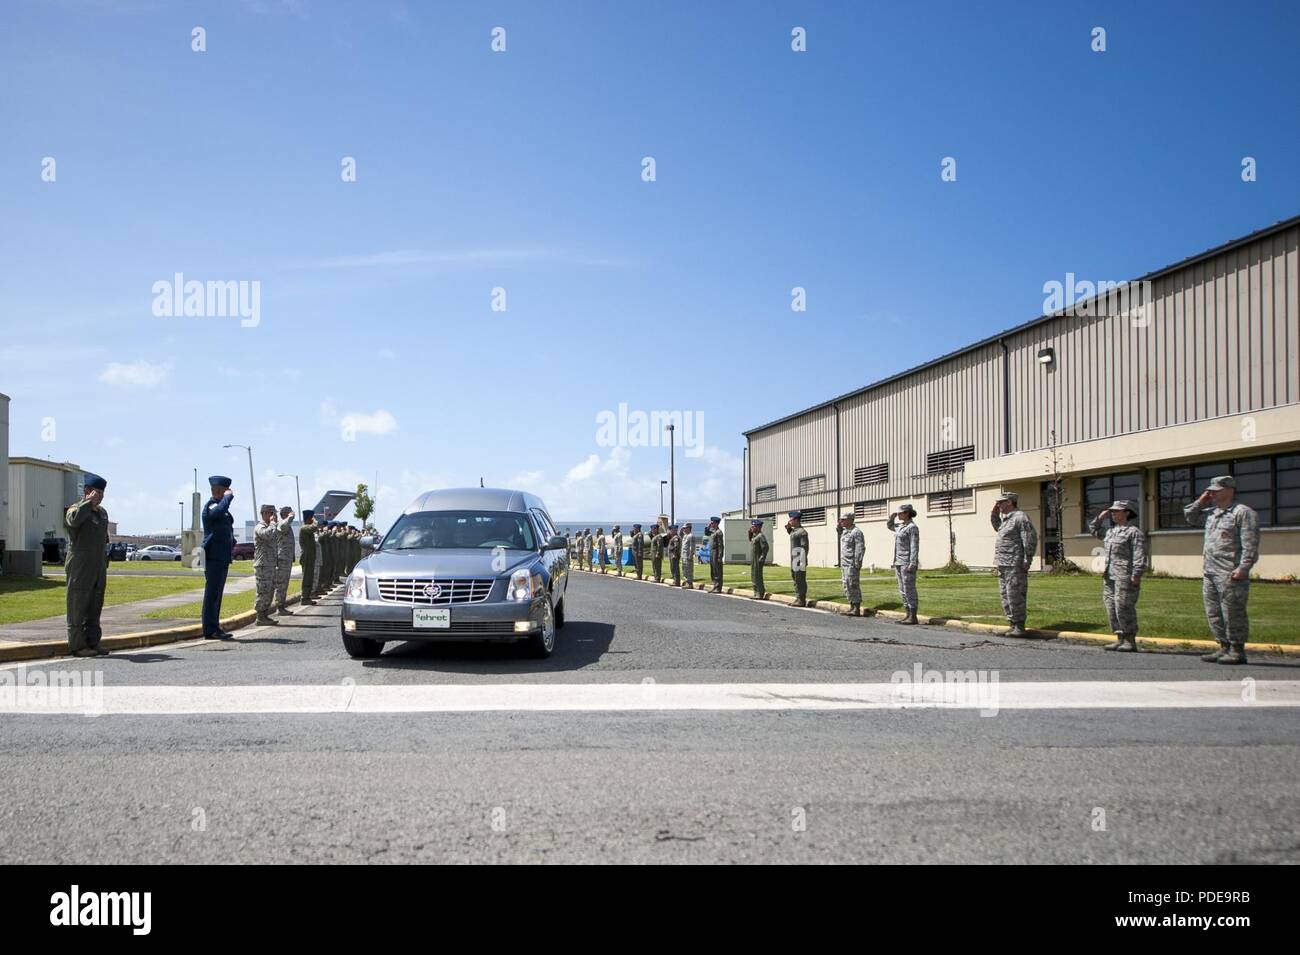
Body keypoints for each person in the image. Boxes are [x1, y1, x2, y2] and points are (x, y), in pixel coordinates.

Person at [1184, 476, 1259, 665]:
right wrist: (1201, 501)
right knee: (1213, 611)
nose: (1212, 493)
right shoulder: (1212, 512)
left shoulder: (1242, 513)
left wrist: (1244, 567)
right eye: (1211, 490)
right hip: (1210, 570)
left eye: (1216, 490)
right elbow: (1189, 517)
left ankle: (1236, 649)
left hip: (1230, 571)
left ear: (1229, 490)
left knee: (1232, 611)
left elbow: (1250, 544)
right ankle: (1223, 646)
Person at [1089, 500, 1146, 652]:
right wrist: (1101, 518)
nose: (1113, 513)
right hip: (1109, 575)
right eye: (1112, 511)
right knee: (1111, 607)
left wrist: (1136, 574)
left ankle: (1129, 639)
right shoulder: (1111, 531)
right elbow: (1093, 530)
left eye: (1117, 511)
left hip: (1124, 576)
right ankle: (1119, 637)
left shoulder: (1133, 532)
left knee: (1123, 607)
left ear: (1127, 512)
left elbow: (1139, 555)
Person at [64, 473, 110, 657]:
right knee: (78, 604)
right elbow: (73, 520)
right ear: (87, 491)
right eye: (97, 493)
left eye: (102, 494)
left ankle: (93, 642)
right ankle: (77, 645)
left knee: (95, 604)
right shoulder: (75, 509)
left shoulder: (102, 513)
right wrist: (87, 503)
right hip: (80, 564)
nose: (100, 496)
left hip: (98, 564)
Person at [991, 491, 1038, 637]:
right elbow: (996, 526)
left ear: (1009, 502)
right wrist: (993, 513)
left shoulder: (1020, 517)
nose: (998, 505)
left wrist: (1027, 560)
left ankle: (1019, 626)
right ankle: (1012, 624)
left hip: (1014, 564)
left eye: (1000, 502)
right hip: (1003, 564)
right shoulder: (1006, 519)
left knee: (1015, 595)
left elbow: (1029, 539)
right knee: (1005, 595)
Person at [200, 476, 236, 639]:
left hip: (221, 556)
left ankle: (215, 626)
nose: (227, 493)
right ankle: (209, 629)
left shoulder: (222, 508)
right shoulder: (211, 506)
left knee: (217, 593)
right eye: (224, 491)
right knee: (212, 593)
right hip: (213, 556)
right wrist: (228, 498)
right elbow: (217, 513)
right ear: (218, 490)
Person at [887, 504, 920, 624]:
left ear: (907, 513)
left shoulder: (912, 527)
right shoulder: (900, 526)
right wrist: (891, 518)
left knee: (909, 588)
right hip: (898, 562)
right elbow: (890, 526)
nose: (898, 515)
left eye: (900, 513)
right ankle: (907, 614)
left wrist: (913, 562)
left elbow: (914, 546)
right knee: (902, 589)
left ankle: (913, 615)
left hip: (907, 562)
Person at [253, 504, 280, 626]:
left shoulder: (271, 527)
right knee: (263, 590)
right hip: (263, 565)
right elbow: (267, 535)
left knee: (270, 590)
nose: (274, 516)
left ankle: (265, 614)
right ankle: (260, 616)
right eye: (272, 513)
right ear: (264, 513)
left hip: (270, 564)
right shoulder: (260, 527)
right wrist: (273, 524)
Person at [839, 513, 866, 615]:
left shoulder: (856, 532)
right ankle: (851, 605)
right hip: (845, 563)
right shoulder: (845, 532)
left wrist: (857, 563)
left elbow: (860, 549)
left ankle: (856, 607)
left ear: (851, 520)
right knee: (846, 585)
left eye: (843, 520)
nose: (841, 521)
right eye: (841, 520)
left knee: (853, 584)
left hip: (852, 564)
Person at [274, 505, 296, 615]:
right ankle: (279, 607)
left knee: (284, 583)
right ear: (284, 514)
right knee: (281, 584)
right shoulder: (281, 524)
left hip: (286, 559)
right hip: (282, 559)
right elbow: (283, 526)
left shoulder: (287, 524)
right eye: (289, 512)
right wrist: (290, 517)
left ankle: (281, 606)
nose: (292, 513)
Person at [785, 511, 809, 606]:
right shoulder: (794, 531)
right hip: (794, 557)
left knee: (800, 579)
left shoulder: (802, 532)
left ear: (796, 520)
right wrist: (788, 528)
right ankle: (798, 597)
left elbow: (804, 546)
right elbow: (792, 536)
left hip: (799, 558)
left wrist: (803, 559)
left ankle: (801, 599)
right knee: (795, 578)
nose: (789, 521)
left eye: (791, 520)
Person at [298, 510, 318, 605]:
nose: (312, 520)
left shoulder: (307, 528)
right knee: (306, 578)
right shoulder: (304, 528)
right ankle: (304, 598)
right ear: (309, 518)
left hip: (310, 557)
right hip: (306, 557)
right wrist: (315, 521)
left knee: (309, 578)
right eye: (311, 518)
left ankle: (307, 597)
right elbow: (314, 527)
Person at [748, 519, 768, 599]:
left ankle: (760, 593)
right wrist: (749, 533)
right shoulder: (755, 536)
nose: (751, 528)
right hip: (753, 559)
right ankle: (756, 593)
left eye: (753, 526)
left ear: (758, 527)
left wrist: (762, 557)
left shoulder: (761, 536)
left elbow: (766, 547)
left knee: (758, 576)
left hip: (758, 559)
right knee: (754, 575)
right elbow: (751, 540)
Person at [707, 517, 724, 593]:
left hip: (716, 552)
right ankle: (714, 585)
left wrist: (720, 556)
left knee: (717, 570)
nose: (711, 524)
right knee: (713, 570)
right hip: (712, 552)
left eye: (712, 523)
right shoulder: (712, 531)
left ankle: (718, 587)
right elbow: (706, 532)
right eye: (711, 523)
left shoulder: (719, 532)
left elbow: (721, 545)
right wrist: (709, 525)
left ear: (716, 523)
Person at [680, 522, 696, 588]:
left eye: (685, 528)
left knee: (689, 569)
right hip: (683, 556)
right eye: (683, 528)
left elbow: (692, 547)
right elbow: (680, 534)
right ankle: (686, 581)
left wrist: (690, 555)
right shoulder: (685, 536)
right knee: (684, 569)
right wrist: (681, 529)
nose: (684, 529)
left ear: (689, 528)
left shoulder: (691, 536)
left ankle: (689, 583)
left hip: (688, 555)